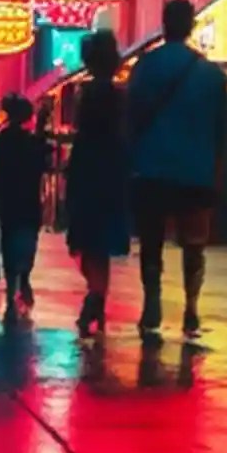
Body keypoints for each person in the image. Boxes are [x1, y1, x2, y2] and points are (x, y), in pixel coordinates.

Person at [127, 0, 227, 343]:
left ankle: (152, 301)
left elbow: (132, 117)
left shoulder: (144, 67)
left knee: (152, 241)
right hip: (195, 171)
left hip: (150, 168)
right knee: (194, 243)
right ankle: (191, 306)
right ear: (191, 26)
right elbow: (222, 129)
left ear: (163, 24)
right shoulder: (211, 74)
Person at [66, 30, 130, 337]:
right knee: (100, 243)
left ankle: (95, 294)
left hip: (87, 167)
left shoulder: (85, 94)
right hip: (112, 169)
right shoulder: (120, 95)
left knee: (85, 242)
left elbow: (82, 134)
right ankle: (97, 296)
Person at [0, 93, 50, 322]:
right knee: (27, 239)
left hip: (7, 197)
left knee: (8, 239)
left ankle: (13, 280)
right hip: (28, 197)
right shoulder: (31, 142)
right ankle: (23, 277)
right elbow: (42, 163)